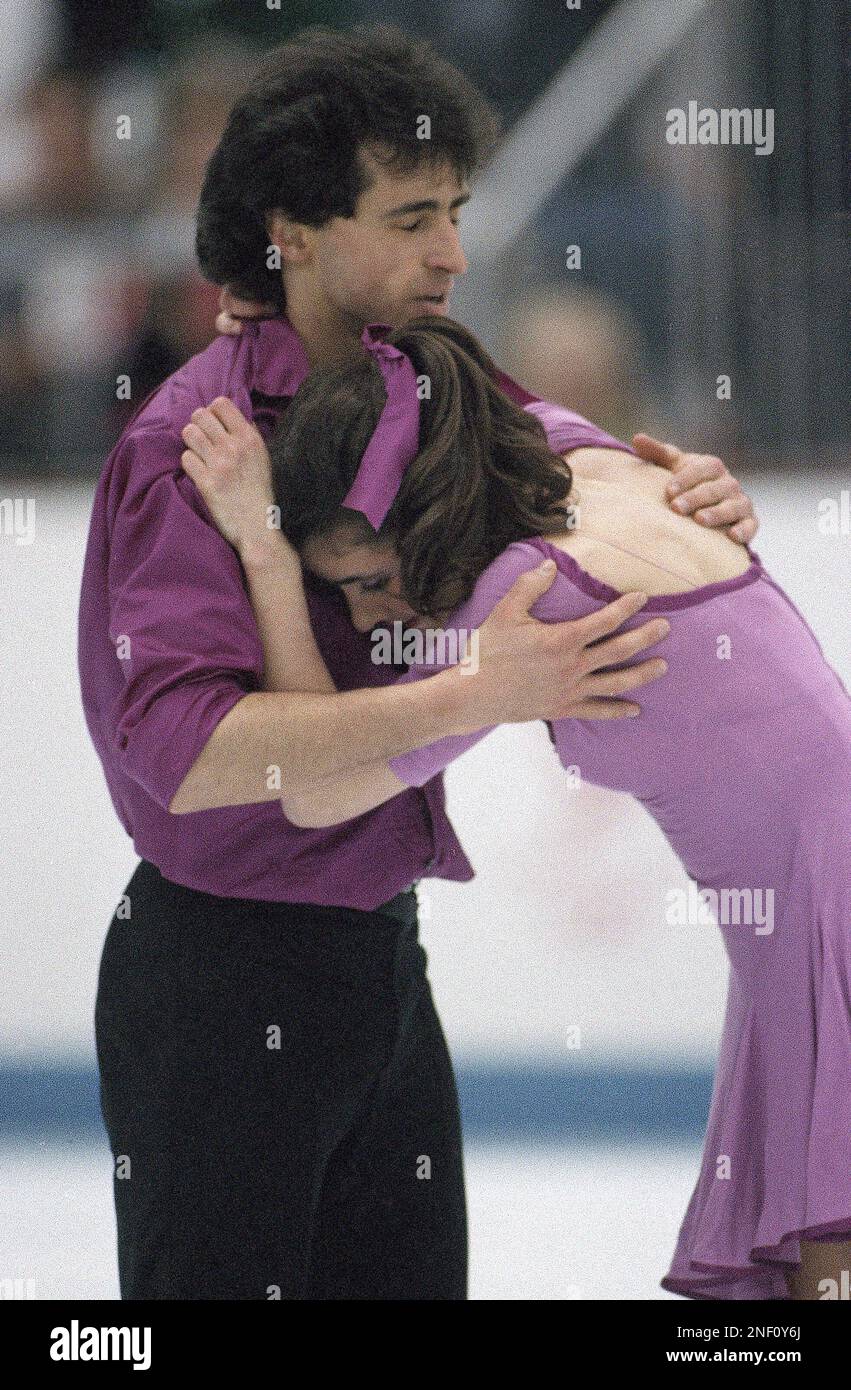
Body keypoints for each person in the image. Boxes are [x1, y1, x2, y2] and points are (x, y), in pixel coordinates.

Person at [81, 25, 759, 1300]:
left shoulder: (444, 393)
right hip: (220, 991)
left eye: (452, 209)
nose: (451, 249)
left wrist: (684, 501)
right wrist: (471, 693)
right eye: (409, 218)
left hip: (383, 969)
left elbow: (583, 490)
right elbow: (190, 755)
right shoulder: (192, 445)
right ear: (292, 231)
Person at [178, 313, 851, 1302]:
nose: (368, 619)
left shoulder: (522, 595)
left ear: (420, 514)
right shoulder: (580, 458)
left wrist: (265, 550)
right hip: (806, 934)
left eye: (369, 582)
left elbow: (313, 793)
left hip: (818, 945)